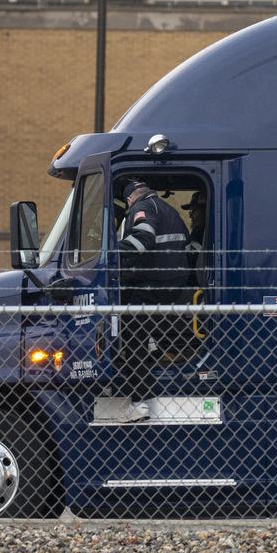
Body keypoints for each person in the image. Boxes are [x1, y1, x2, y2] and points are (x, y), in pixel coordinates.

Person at [116, 179, 191, 422]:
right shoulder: (168, 209)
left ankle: (139, 403)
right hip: (172, 284)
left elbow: (143, 239)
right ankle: (153, 346)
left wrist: (110, 252)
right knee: (147, 331)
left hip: (151, 284)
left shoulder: (142, 208)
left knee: (131, 339)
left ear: (130, 199)